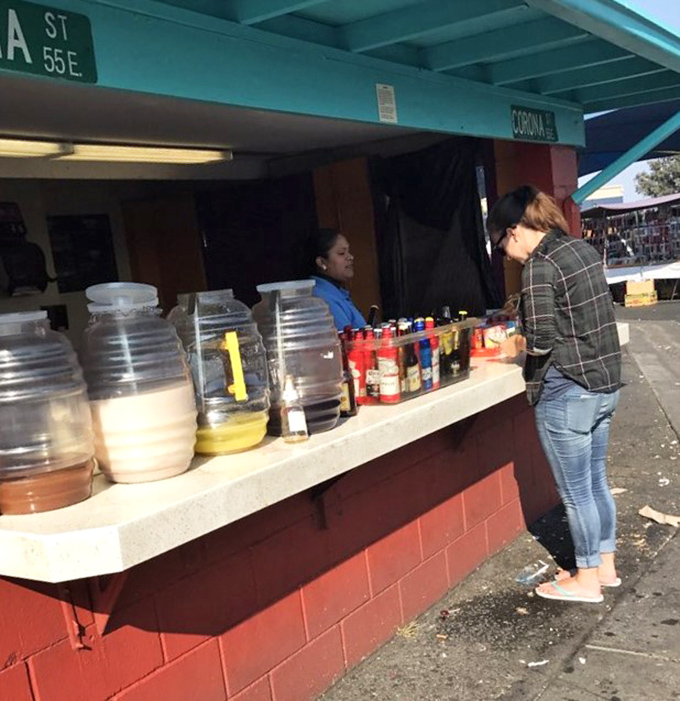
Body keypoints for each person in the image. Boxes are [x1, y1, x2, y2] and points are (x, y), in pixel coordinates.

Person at [488, 185, 622, 604]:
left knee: (575, 491)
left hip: (567, 390)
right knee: (596, 481)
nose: (507, 256)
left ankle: (585, 580)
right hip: (604, 384)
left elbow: (542, 338)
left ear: (514, 231)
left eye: (501, 245)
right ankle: (606, 567)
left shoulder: (540, 265)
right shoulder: (579, 249)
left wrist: (514, 347)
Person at [309, 228, 366, 331]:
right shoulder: (321, 299)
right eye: (341, 253)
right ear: (322, 262)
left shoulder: (334, 292)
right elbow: (346, 341)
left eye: (348, 251)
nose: (350, 257)